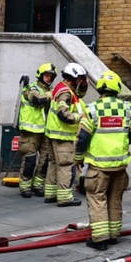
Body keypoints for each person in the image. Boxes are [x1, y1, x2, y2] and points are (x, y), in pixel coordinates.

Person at [74, 70, 131, 250]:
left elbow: (83, 137)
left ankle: (100, 239)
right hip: (119, 164)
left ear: (100, 88)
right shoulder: (127, 108)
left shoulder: (93, 108)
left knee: (97, 199)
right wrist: (121, 144)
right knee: (115, 198)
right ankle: (114, 234)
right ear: (117, 88)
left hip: (99, 166)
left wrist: (78, 158)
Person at [44, 63, 88, 207]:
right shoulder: (66, 93)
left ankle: (50, 194)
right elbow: (63, 113)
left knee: (53, 163)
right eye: (80, 78)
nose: (81, 81)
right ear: (73, 78)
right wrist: (79, 117)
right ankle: (64, 197)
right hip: (63, 136)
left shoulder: (61, 87)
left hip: (53, 133)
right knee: (65, 165)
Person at [14, 63, 56, 198]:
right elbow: (37, 100)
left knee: (44, 160)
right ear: (40, 75)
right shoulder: (32, 88)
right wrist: (52, 94)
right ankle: (25, 187)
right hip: (30, 131)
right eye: (47, 75)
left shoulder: (52, 90)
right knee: (30, 160)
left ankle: (37, 185)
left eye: (51, 76)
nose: (49, 78)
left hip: (46, 131)